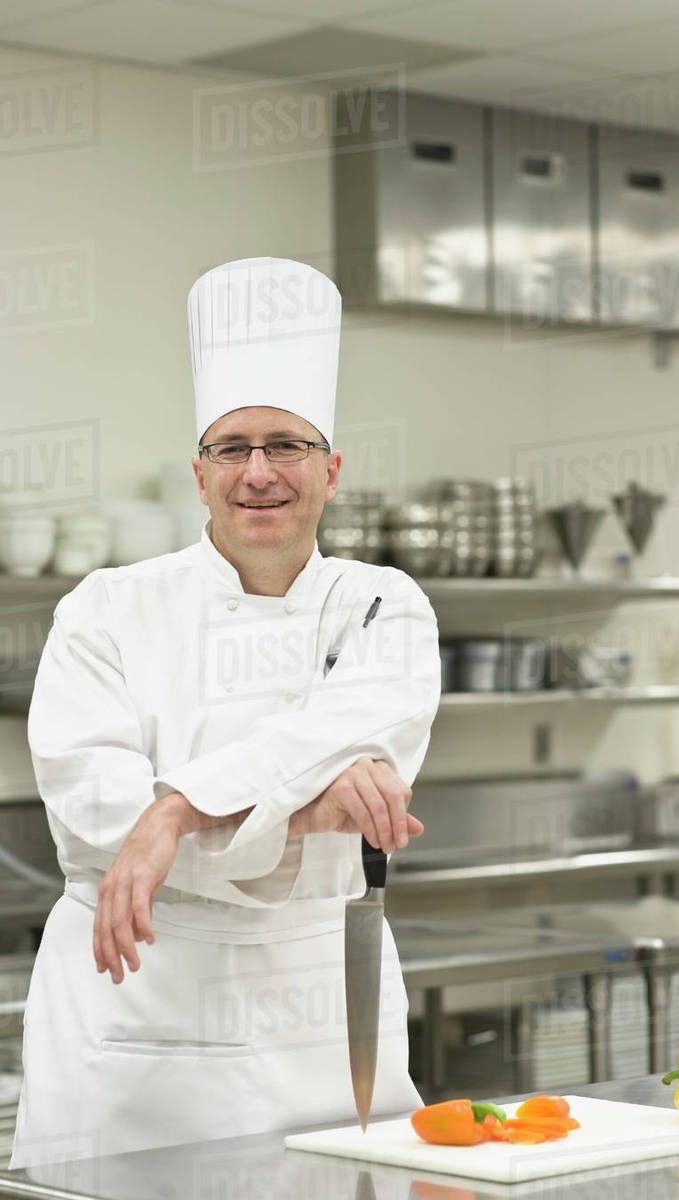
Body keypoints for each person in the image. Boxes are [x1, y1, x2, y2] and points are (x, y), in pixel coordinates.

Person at [10, 258, 441, 1167]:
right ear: (198, 473)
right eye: (232, 448)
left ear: (330, 469)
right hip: (142, 1005)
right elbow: (97, 817)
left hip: (325, 1005)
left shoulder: (384, 604)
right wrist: (302, 804)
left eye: (285, 445)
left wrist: (175, 813)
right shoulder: (104, 607)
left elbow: (368, 729)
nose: (259, 472)